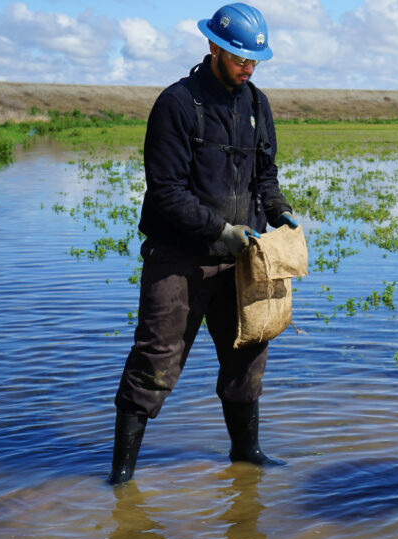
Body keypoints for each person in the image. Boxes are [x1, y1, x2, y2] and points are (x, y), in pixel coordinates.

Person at [106, 3, 299, 485]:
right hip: (179, 260)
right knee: (154, 362)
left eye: (254, 60)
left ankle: (247, 458)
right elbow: (166, 191)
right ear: (213, 46)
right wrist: (219, 231)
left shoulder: (257, 105)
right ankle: (121, 479)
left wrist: (279, 211)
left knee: (247, 357)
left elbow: (265, 176)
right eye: (239, 58)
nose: (247, 67)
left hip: (242, 261)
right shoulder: (176, 103)